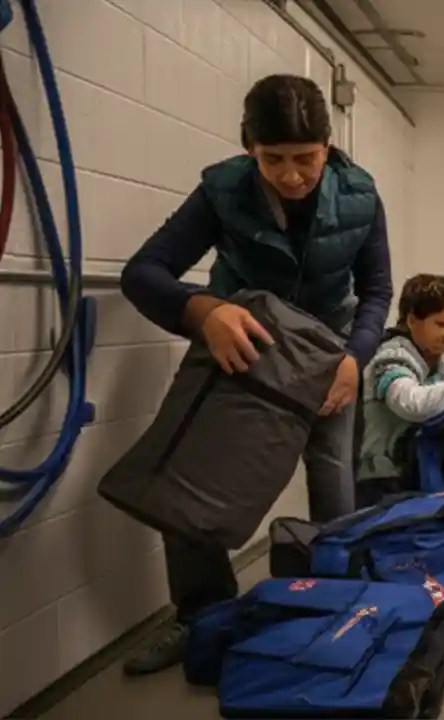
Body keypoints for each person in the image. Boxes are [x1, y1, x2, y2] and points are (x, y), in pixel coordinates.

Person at [118, 74, 393, 675]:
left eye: (306, 159)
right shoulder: (221, 191)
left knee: (334, 484)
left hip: (328, 360)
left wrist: (356, 357)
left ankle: (332, 614)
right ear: (250, 147)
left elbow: (377, 291)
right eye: (274, 159)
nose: (292, 175)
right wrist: (202, 310)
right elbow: (143, 272)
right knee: (192, 487)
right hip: (241, 354)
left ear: (329, 147)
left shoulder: (362, 195)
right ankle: (202, 620)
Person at [357, 274, 444, 507]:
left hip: (425, 469)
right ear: (412, 320)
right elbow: (410, 403)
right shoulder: (390, 358)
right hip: (382, 478)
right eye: (440, 324)